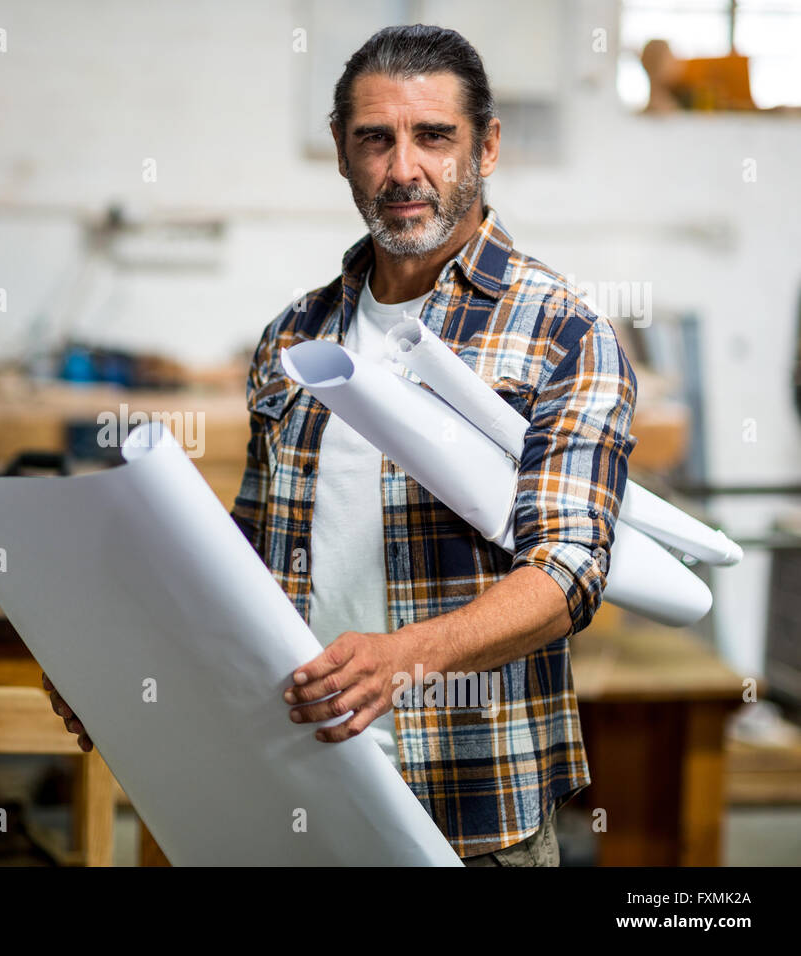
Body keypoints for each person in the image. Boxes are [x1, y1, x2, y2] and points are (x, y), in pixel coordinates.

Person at [47, 24, 637, 866]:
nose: (403, 169)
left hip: (468, 814)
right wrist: (123, 663)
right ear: (340, 150)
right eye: (376, 139)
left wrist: (404, 659)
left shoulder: (562, 334)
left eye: (434, 136)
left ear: (488, 145)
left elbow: (568, 570)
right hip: (290, 787)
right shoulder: (296, 335)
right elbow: (245, 564)